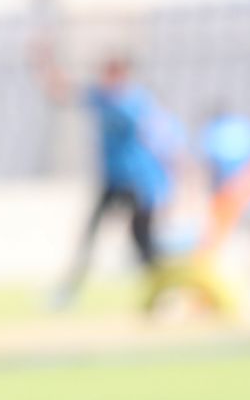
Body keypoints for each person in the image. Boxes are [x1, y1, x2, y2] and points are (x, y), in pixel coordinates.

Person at [32, 46, 172, 306]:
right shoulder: (101, 96)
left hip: (137, 182)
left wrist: (163, 187)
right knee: (91, 235)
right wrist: (45, 63)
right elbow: (63, 92)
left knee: (142, 241)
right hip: (114, 181)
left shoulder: (133, 102)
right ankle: (69, 292)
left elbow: (158, 141)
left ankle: (166, 289)